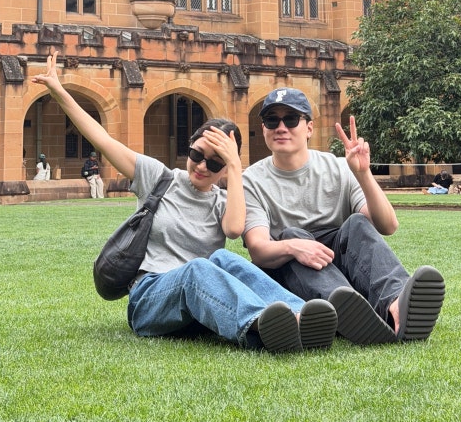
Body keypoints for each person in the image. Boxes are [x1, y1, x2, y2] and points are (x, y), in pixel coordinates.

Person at [31, 53, 338, 353]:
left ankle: (302, 315)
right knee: (198, 268)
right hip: (150, 298)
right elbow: (103, 140)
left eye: (216, 163)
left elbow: (233, 230)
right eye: (197, 155)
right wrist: (59, 92)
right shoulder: (159, 178)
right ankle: (262, 323)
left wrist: (234, 166)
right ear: (189, 147)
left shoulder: (224, 199)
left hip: (197, 303)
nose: (203, 166)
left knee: (226, 260)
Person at [242, 89, 445, 346]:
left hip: (337, 259)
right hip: (292, 272)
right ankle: (350, 309)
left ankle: (396, 303)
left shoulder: (338, 166)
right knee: (292, 234)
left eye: (291, 119)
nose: (281, 127)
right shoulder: (251, 180)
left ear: (309, 128)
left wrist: (363, 174)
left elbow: (388, 225)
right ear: (264, 129)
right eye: (272, 121)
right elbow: (259, 251)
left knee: (358, 223)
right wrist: (294, 247)